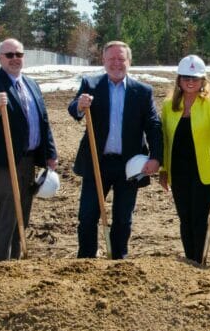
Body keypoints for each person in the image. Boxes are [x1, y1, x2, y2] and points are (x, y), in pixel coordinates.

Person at [68, 40, 162, 259]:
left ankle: (119, 260)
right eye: (111, 59)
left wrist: (156, 157)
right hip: (96, 162)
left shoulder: (142, 91)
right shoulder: (90, 85)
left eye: (121, 59)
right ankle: (86, 260)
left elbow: (154, 126)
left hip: (129, 165)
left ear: (129, 62)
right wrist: (80, 106)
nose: (116, 63)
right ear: (103, 61)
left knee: (123, 217)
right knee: (88, 215)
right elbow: (74, 110)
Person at [0, 38, 58, 261]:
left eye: (19, 54)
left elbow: (43, 120)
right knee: (8, 210)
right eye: (9, 55)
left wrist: (50, 153)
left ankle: (16, 259)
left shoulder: (31, 84)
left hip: (29, 160)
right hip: (4, 161)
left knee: (23, 209)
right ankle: (1, 262)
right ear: (0, 58)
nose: (15, 59)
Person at [158, 55, 210, 262]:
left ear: (203, 80)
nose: (190, 81)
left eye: (195, 77)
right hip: (178, 170)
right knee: (185, 217)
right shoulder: (169, 105)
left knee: (199, 217)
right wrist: (163, 170)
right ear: (179, 80)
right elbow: (165, 139)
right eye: (186, 77)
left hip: (205, 170)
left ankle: (200, 259)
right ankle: (190, 260)